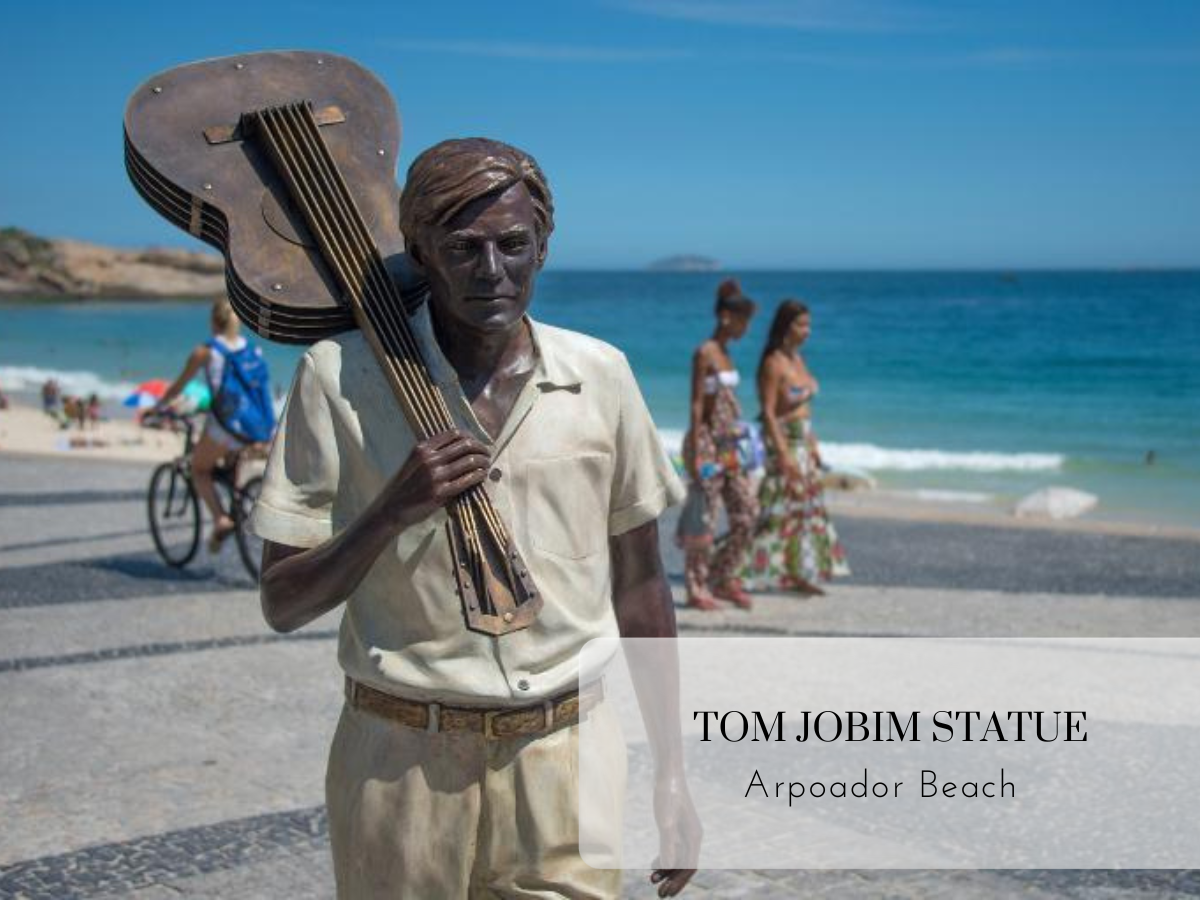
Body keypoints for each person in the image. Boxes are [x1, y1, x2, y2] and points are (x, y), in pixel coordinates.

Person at [250, 138, 698, 899]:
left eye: (513, 245)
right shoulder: (339, 378)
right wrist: (390, 512)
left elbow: (641, 584)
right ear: (420, 253)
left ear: (544, 247)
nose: (492, 270)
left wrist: (673, 772)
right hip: (401, 762)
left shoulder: (600, 377)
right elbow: (282, 602)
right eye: (463, 248)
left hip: (569, 756)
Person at [741, 300, 849, 596]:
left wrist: (813, 445)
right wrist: (784, 454)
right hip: (785, 443)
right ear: (786, 326)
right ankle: (736, 568)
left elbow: (804, 410)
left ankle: (798, 571)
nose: (808, 330)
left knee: (804, 510)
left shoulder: (798, 360)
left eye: (808, 324)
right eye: (802, 324)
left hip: (803, 442)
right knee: (775, 509)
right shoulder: (773, 362)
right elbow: (769, 413)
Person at [157, 297, 275, 553]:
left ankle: (221, 520)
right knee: (230, 469)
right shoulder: (253, 351)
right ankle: (235, 505)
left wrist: (159, 406)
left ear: (213, 322)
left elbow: (179, 386)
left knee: (199, 469)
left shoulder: (206, 351)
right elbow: (261, 391)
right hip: (254, 426)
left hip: (226, 425)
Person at [678, 279, 758, 610]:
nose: (746, 328)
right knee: (704, 519)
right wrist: (697, 451)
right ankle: (696, 587)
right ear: (727, 317)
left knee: (748, 514)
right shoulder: (705, 352)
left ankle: (722, 575)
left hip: (731, 446)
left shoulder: (726, 353)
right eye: (743, 321)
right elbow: (697, 403)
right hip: (708, 443)